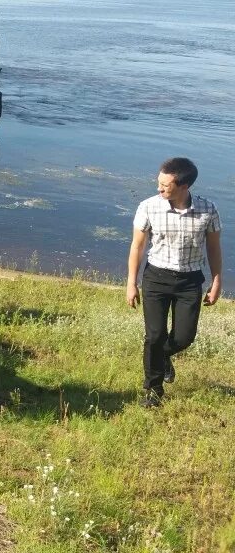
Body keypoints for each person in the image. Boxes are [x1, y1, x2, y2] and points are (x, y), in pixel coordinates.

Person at [126, 157, 222, 408]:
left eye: (165, 185)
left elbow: (214, 248)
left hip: (189, 281)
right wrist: (131, 282)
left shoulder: (208, 210)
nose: (159, 189)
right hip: (156, 278)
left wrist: (217, 281)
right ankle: (153, 389)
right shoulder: (148, 206)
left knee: (184, 338)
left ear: (184, 186)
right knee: (154, 335)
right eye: (159, 183)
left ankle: (163, 356)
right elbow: (137, 246)